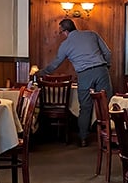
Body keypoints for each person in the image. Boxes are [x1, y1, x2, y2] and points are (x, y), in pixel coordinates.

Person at [39, 18, 113, 146]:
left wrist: (41, 73)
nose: (61, 35)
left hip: (84, 74)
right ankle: (109, 137)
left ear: (66, 31)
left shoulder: (65, 45)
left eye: (61, 32)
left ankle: (83, 138)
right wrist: (107, 66)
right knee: (107, 104)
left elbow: (55, 64)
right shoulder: (92, 34)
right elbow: (107, 52)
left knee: (85, 107)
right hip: (101, 70)